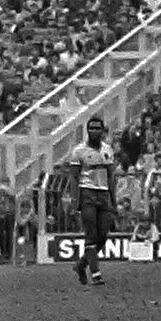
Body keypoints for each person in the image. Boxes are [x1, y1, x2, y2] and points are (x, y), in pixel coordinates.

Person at [66, 115, 117, 286]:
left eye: (97, 128)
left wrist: (114, 200)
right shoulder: (78, 151)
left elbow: (111, 176)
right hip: (87, 192)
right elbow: (73, 177)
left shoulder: (108, 150)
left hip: (103, 194)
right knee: (91, 235)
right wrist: (75, 201)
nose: (94, 131)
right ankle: (96, 274)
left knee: (102, 235)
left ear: (103, 131)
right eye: (91, 128)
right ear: (87, 130)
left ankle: (81, 265)